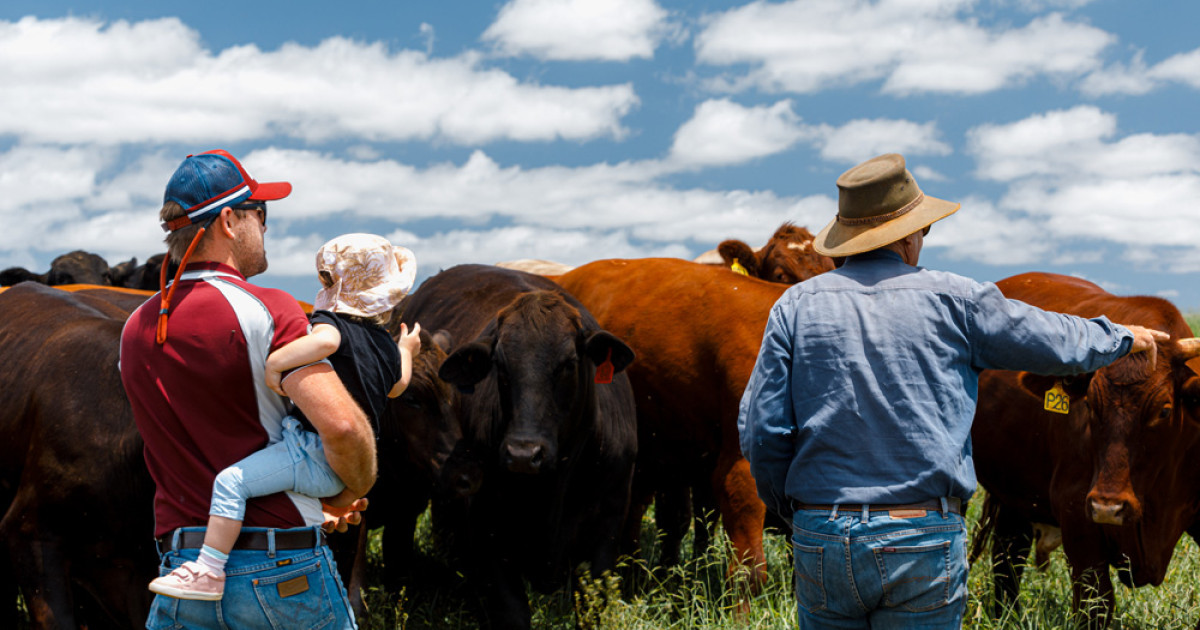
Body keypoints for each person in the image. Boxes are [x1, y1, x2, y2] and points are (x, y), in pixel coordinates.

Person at [736, 153, 1168, 630]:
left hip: (824, 533)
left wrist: (795, 511)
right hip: (921, 533)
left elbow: (761, 429)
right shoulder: (956, 300)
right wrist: (1121, 337)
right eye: (923, 229)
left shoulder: (794, 307)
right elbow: (1052, 339)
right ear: (908, 236)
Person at [120, 150, 376, 629]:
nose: (265, 225)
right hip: (280, 566)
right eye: (259, 212)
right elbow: (341, 426)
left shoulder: (135, 326)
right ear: (228, 221)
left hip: (183, 569)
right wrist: (350, 489)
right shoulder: (269, 308)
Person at [145, 233, 422, 601]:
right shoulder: (385, 346)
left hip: (311, 451)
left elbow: (325, 343)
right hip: (346, 464)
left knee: (231, 483)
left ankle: (208, 570)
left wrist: (275, 364)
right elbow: (399, 385)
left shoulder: (331, 323)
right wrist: (406, 349)